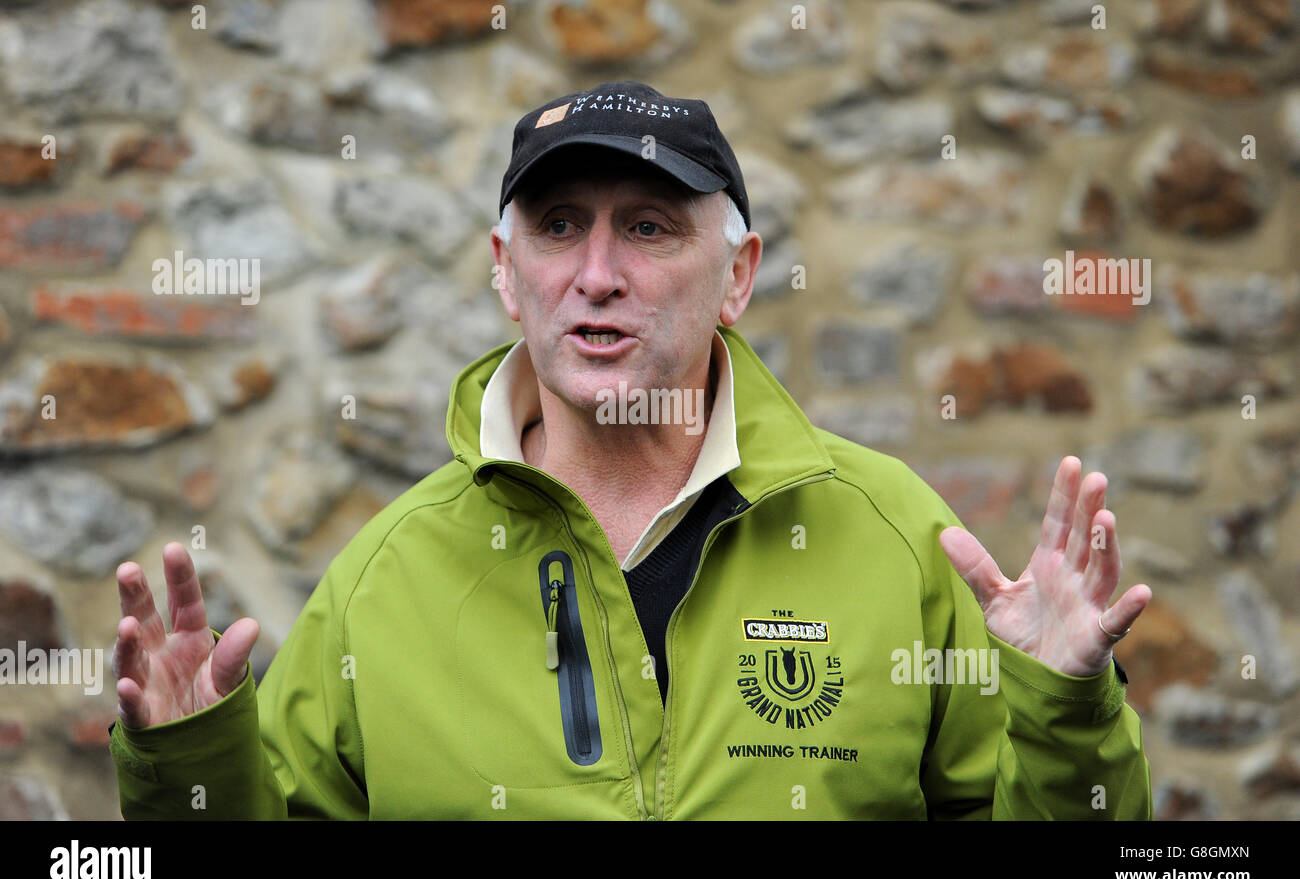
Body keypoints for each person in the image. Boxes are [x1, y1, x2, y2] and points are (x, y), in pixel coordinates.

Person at [110, 81, 1153, 820]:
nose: (597, 273)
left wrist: (1065, 714)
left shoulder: (893, 536)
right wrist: (191, 768)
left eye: (650, 228)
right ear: (506, 271)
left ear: (738, 275)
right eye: (559, 227)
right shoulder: (383, 579)